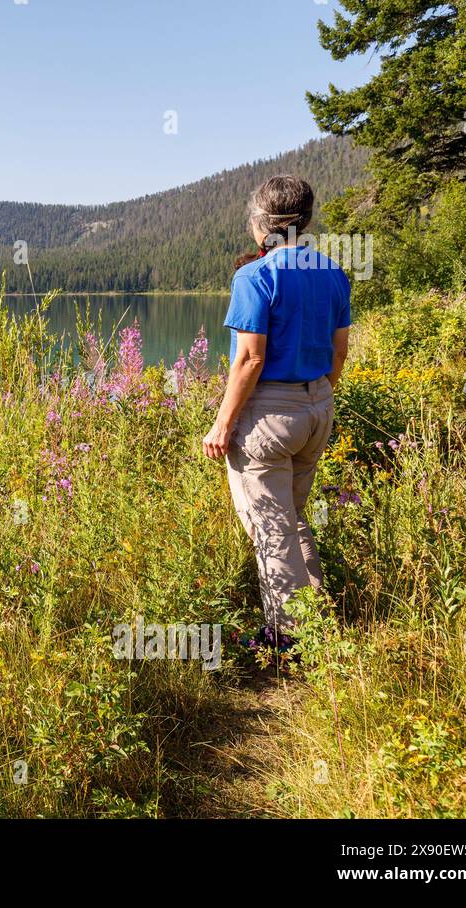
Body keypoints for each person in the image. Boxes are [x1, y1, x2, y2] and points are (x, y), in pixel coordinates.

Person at [201, 175, 351, 650]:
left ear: (262, 224)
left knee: (270, 528)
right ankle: (316, 613)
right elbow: (339, 352)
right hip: (316, 408)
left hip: (268, 415)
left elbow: (250, 359)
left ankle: (288, 639)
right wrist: (316, 398)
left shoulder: (254, 276)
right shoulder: (332, 272)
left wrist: (223, 423)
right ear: (303, 223)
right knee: (293, 517)